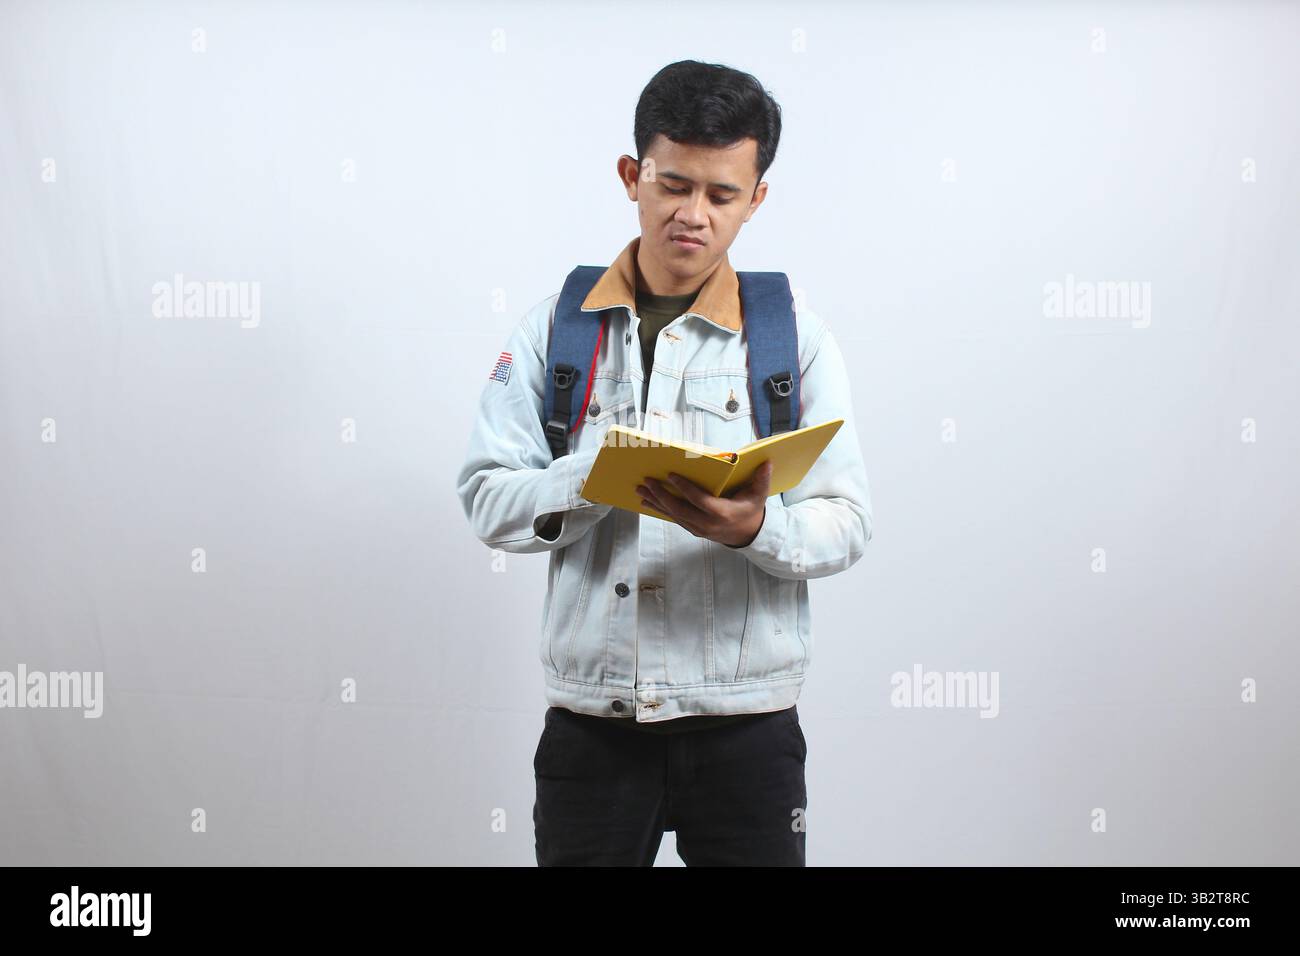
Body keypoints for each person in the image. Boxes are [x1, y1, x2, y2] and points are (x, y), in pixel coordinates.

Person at [456, 59, 872, 866]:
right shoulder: (554, 331)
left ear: (756, 199)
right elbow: (484, 498)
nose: (693, 214)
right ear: (631, 175)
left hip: (749, 728)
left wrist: (756, 527)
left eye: (721, 195)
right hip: (593, 728)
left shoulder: (796, 341)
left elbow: (848, 524)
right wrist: (588, 475)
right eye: (673, 184)